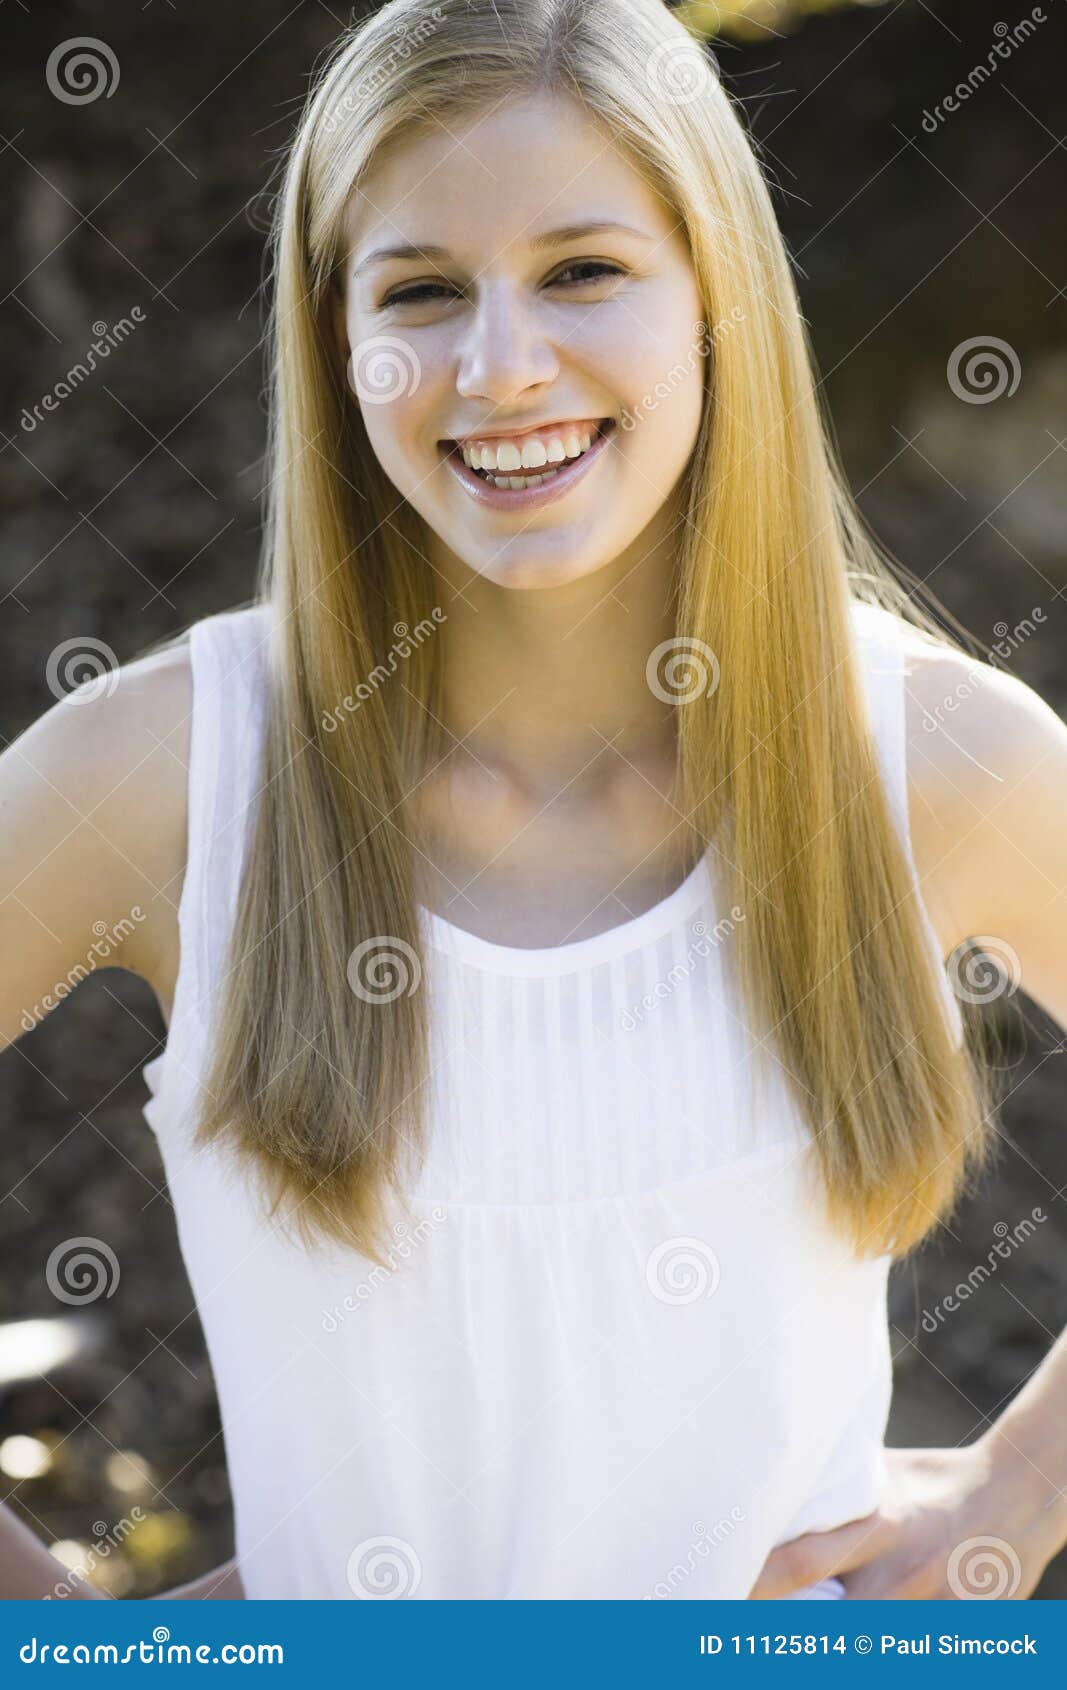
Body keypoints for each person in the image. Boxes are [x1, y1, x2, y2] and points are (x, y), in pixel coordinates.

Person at [2, 0, 1066, 1602]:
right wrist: (74, 1643)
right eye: (422, 290)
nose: (502, 368)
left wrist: (1007, 1503)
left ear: (715, 297)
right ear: (334, 339)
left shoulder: (931, 752)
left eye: (584, 271)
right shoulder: (168, 767)